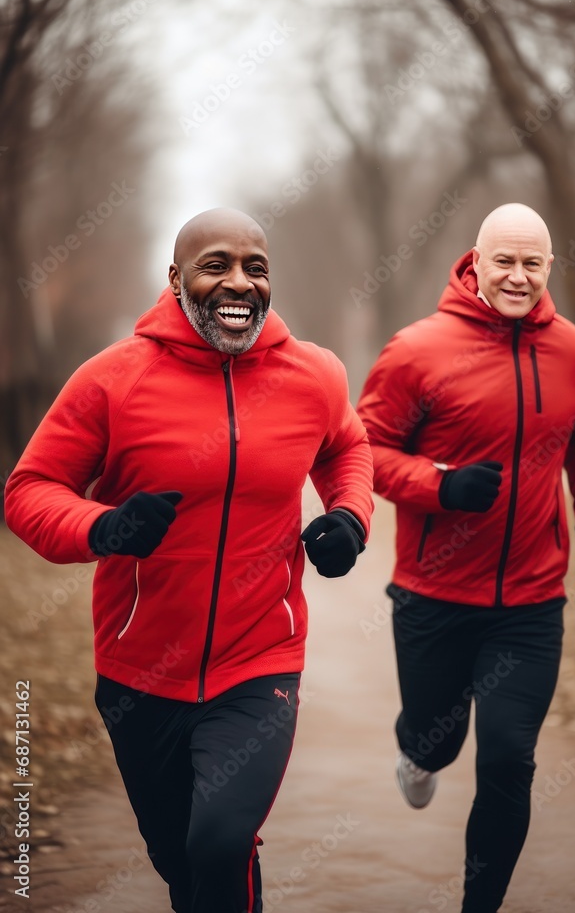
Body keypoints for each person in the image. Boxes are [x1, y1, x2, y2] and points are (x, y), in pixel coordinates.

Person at [5, 207, 374, 913]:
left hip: (258, 664)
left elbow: (346, 449)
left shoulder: (313, 375)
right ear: (175, 280)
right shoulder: (111, 380)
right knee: (183, 861)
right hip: (138, 673)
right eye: (216, 265)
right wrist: (103, 527)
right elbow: (28, 491)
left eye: (255, 268)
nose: (239, 282)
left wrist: (349, 518)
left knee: (220, 840)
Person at [356, 202, 575, 913]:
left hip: (531, 605)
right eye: (504, 259)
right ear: (475, 261)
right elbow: (365, 453)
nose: (517, 275)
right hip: (434, 597)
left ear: (548, 268)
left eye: (531, 262)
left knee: (508, 758)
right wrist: (440, 486)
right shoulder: (416, 351)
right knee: (438, 747)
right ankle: (417, 750)